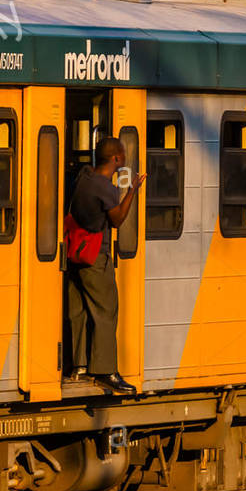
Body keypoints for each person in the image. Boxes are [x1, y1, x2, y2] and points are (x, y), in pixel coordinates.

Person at [67, 137, 145, 395]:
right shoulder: (106, 188)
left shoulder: (84, 178)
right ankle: (106, 372)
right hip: (95, 257)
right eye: (122, 155)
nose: (123, 159)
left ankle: (79, 365)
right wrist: (132, 190)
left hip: (75, 254)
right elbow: (117, 220)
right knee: (106, 310)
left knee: (80, 310)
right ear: (115, 159)